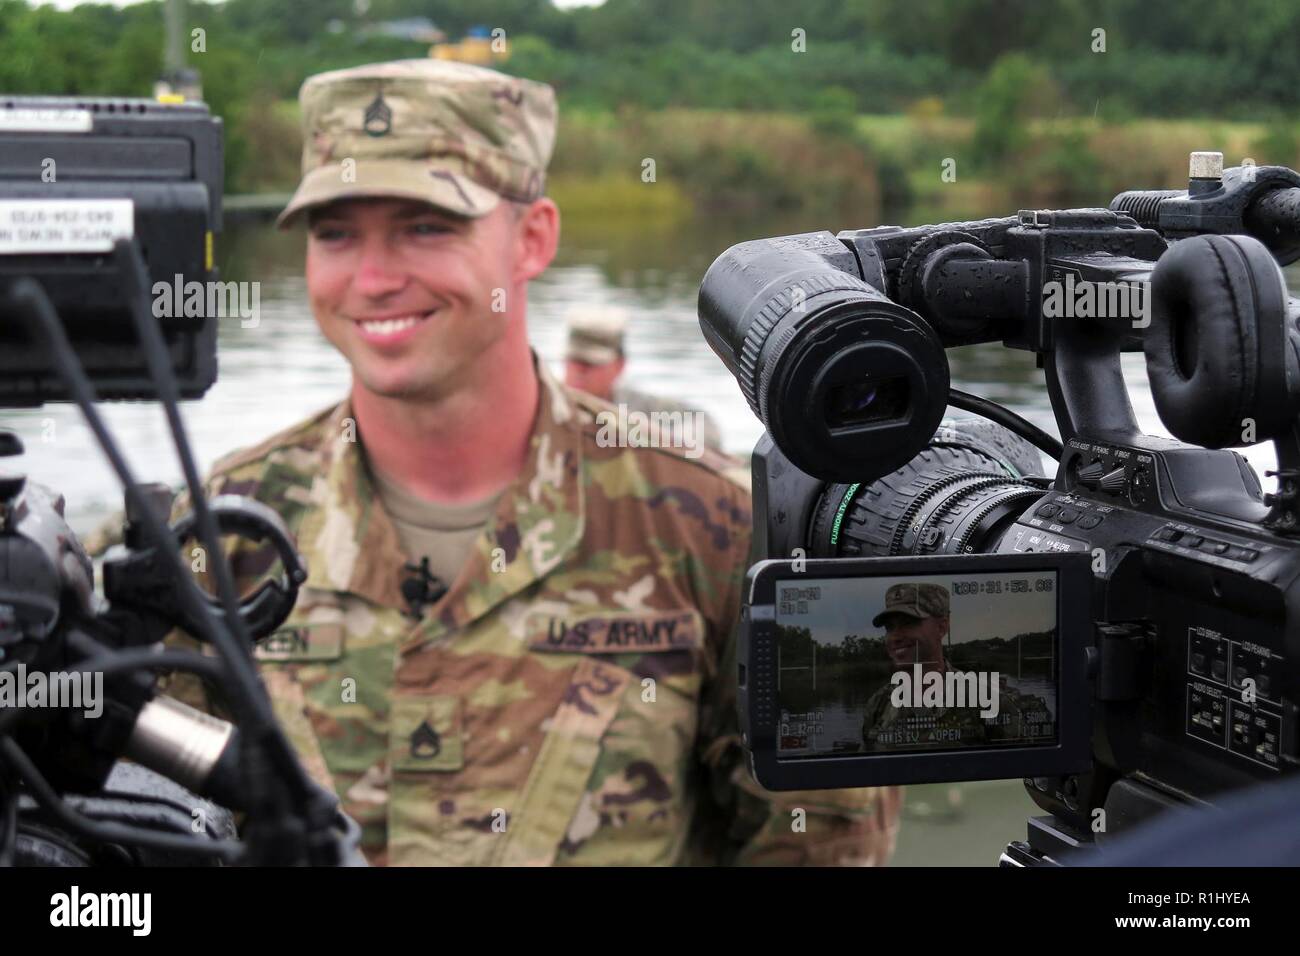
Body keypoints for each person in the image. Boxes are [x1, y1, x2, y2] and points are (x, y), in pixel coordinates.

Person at [160, 58, 899, 866]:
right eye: (335, 233)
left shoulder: (721, 527)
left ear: (534, 238)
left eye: (425, 226)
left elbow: (821, 845)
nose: (371, 278)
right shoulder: (220, 533)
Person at [860, 583, 1048, 750]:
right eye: (889, 628)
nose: (895, 636)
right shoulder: (879, 704)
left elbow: (1018, 776)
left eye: (908, 623)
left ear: (942, 627)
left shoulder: (987, 699)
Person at [562, 306, 725, 453]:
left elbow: (704, 426)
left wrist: (656, 445)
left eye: (591, 363)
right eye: (574, 360)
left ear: (619, 366)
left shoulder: (639, 407)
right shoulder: (545, 404)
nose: (579, 370)